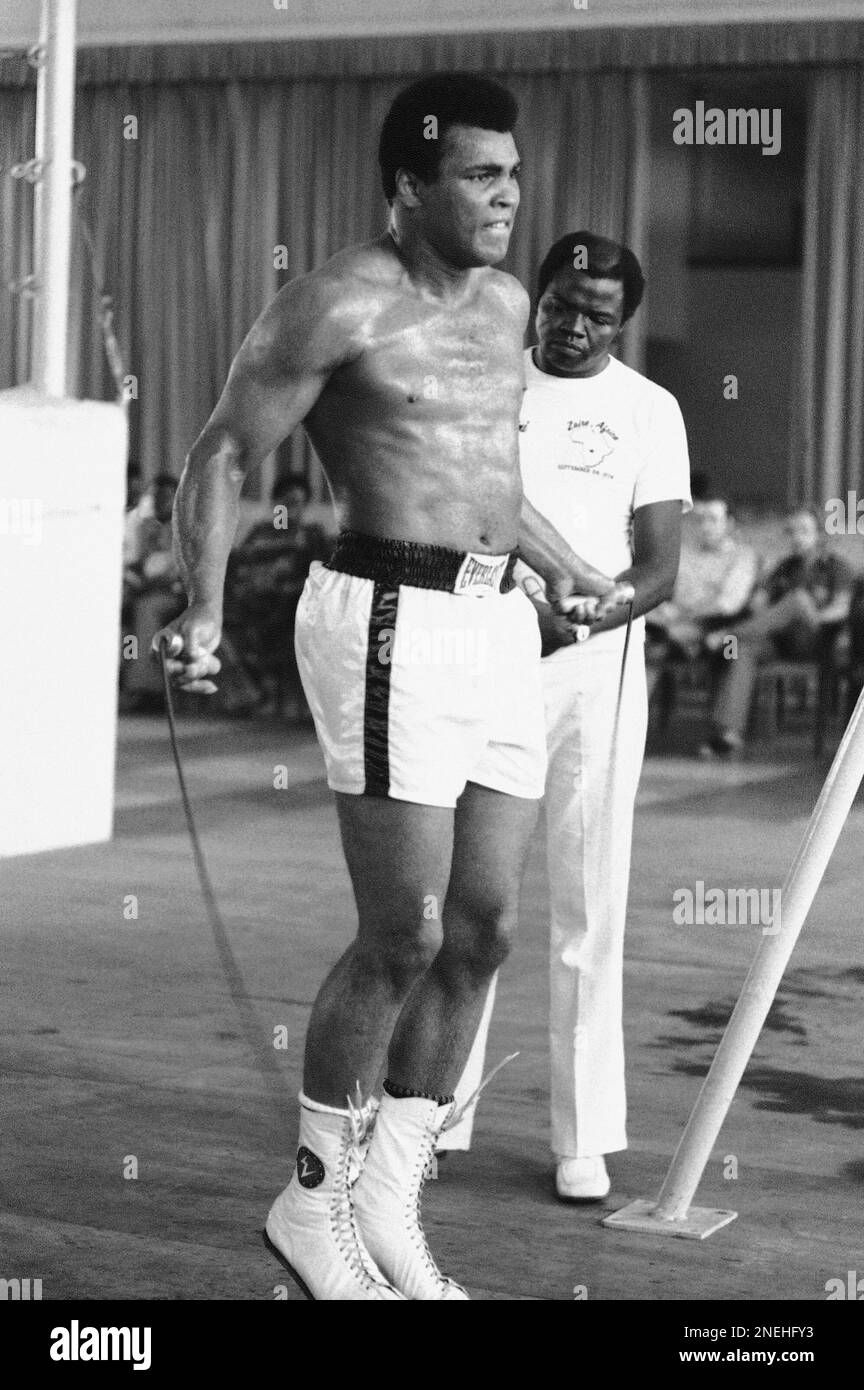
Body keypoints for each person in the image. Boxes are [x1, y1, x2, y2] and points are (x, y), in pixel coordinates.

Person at [155, 75, 633, 1300]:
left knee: (482, 931)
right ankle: (311, 1207)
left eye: (513, 175)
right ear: (408, 188)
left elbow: (485, 476)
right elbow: (224, 448)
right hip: (384, 616)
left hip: (494, 620)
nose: (506, 197)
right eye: (479, 175)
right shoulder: (335, 302)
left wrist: (570, 568)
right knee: (403, 932)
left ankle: (387, 1200)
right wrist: (202, 604)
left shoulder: (511, 301)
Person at [442, 231, 691, 1203]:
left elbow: (660, 565)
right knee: (472, 898)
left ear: (624, 321)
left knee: (590, 902)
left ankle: (583, 1135)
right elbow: (462, 508)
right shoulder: (489, 383)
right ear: (534, 297)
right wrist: (528, 609)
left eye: (598, 312)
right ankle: (438, 1107)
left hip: (599, 672)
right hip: (491, 652)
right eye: (561, 304)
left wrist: (594, 610)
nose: (575, 325)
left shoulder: (649, 410)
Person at [700, 507, 853, 759]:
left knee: (798, 600)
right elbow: (758, 607)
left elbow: (840, 610)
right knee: (740, 650)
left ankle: (728, 634)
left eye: (804, 531)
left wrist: (804, 612)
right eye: (792, 531)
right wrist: (758, 591)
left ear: (819, 534)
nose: (797, 537)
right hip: (780, 641)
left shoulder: (836, 567)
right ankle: (728, 734)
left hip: (818, 640)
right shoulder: (785, 568)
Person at [223, 476, 329, 716]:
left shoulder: (311, 535)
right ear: (275, 504)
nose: (291, 509)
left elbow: (321, 577)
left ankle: (262, 692)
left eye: (297, 503)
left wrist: (289, 587)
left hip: (288, 605)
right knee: (222, 624)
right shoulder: (260, 533)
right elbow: (236, 569)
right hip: (249, 604)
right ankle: (251, 692)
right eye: (285, 503)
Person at [649, 495, 757, 664]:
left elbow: (727, 605)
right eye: (700, 520)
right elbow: (662, 589)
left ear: (729, 523)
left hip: (722, 630)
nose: (705, 527)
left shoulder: (742, 556)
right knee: (643, 642)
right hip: (673, 627)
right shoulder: (685, 554)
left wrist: (682, 613)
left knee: (735, 652)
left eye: (713, 520)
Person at [121, 472, 183, 711]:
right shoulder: (144, 525)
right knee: (130, 621)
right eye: (156, 496)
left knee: (145, 611)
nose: (160, 501)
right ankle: (125, 682)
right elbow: (136, 561)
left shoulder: (183, 526)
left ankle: (147, 689)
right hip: (145, 591)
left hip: (173, 594)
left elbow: (178, 570)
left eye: (166, 496)